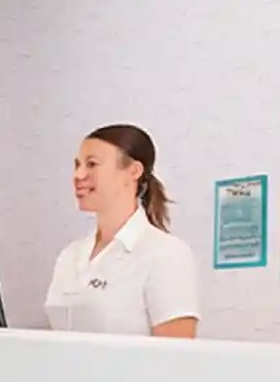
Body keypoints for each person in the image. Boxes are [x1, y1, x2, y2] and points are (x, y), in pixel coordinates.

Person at [44, 123, 200, 338]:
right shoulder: (70, 256)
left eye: (92, 164)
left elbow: (177, 358)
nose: (78, 175)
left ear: (134, 171)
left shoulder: (166, 254)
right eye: (77, 165)